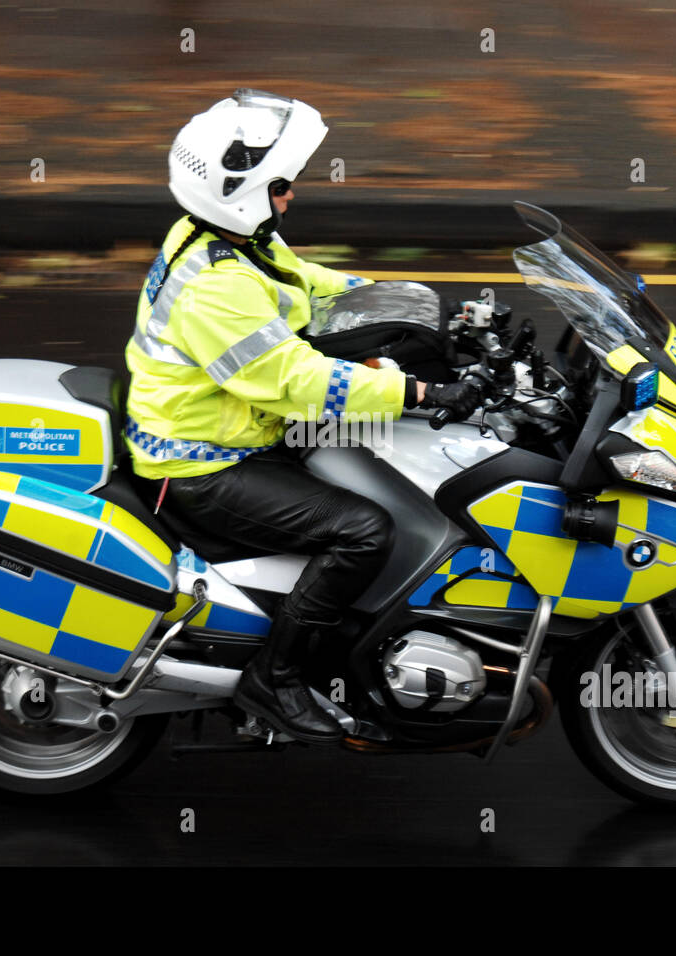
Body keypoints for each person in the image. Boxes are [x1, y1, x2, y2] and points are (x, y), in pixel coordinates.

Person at [124, 89, 479, 744]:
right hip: (201, 463)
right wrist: (419, 395)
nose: (290, 197)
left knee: (386, 466)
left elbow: (311, 288)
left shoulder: (230, 242)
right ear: (242, 194)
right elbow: (296, 381)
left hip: (240, 431)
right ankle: (275, 679)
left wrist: (424, 309)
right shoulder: (215, 287)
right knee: (366, 530)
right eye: (282, 186)